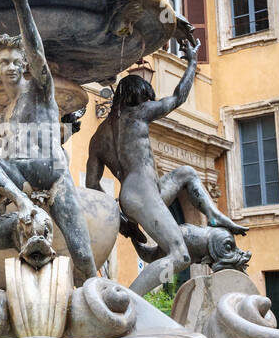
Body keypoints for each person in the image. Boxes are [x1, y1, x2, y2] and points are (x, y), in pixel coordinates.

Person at [0, 0, 97, 282]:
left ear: (24, 65)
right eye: (3, 61)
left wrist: (20, 0)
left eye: (15, 60)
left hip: (54, 178)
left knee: (83, 254)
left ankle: (98, 294)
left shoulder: (39, 87)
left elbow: (36, 51)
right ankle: (24, 209)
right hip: (22, 179)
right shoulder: (5, 112)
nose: (10, 66)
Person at [85, 44, 248, 294]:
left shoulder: (98, 137)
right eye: (145, 98)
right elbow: (178, 98)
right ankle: (127, 299)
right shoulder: (138, 114)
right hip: (144, 193)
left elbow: (92, 185)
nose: (148, 102)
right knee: (180, 255)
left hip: (138, 194)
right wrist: (192, 62)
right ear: (138, 96)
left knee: (186, 173)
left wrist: (120, 219)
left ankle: (214, 216)